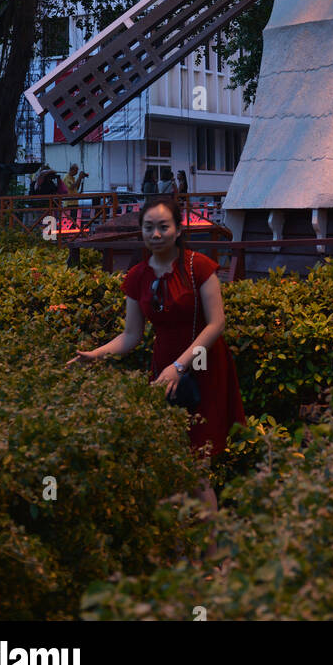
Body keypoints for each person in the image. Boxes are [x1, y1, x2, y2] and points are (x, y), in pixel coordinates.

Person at [66, 195, 246, 502]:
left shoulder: (199, 267)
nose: (156, 234)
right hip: (163, 374)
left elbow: (216, 324)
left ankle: (213, 550)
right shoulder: (137, 276)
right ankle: (177, 546)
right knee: (169, 464)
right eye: (149, 227)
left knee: (197, 470)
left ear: (178, 230)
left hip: (201, 367)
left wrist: (179, 366)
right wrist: (95, 354)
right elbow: (131, 335)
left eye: (164, 227)